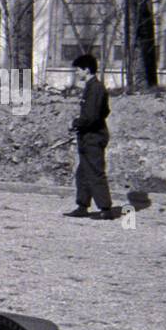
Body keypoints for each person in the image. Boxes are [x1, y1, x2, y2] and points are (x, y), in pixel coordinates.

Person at [63, 53, 115, 220]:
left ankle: (105, 209)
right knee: (83, 172)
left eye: (78, 70)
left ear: (86, 69)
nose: (76, 73)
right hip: (88, 135)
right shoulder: (92, 87)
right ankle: (82, 206)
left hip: (93, 136)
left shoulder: (96, 88)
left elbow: (91, 116)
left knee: (95, 171)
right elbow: (105, 111)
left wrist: (75, 123)